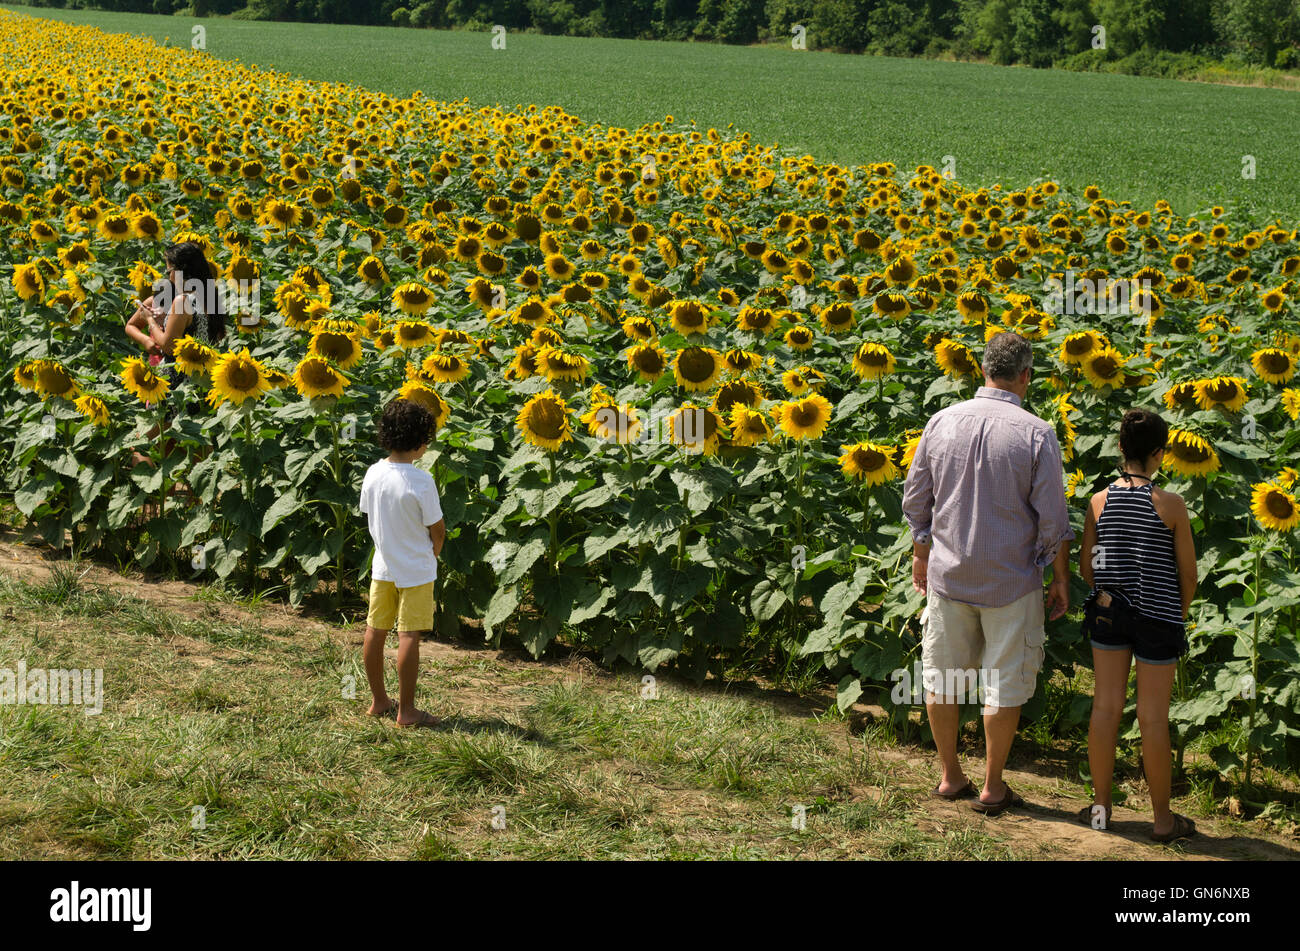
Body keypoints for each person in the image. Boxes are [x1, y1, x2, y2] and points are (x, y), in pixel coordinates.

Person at [901, 331, 1073, 815]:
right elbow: (1053, 520)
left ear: (982, 370)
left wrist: (921, 554)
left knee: (943, 678)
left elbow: (917, 501)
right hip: (1011, 581)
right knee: (1004, 683)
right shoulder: (1036, 431)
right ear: (1026, 375)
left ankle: (950, 776)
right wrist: (1055, 575)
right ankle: (993, 787)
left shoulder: (941, 421)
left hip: (949, 575)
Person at [1078, 408, 1198, 842]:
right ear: (1160, 454)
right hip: (1158, 619)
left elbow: (1089, 566)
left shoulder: (1099, 501)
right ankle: (1163, 820)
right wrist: (1177, 612)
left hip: (1110, 613)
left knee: (1105, 709)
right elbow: (1188, 573)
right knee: (1152, 719)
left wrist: (1110, 586)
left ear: (1120, 450)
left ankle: (1100, 809)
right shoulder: (1171, 505)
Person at [359, 399, 447, 729]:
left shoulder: (373, 473)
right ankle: (407, 711)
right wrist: (433, 552)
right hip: (417, 570)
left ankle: (379, 700)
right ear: (421, 441)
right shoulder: (421, 481)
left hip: (383, 566)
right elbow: (437, 528)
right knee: (408, 636)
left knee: (375, 631)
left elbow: (371, 514)